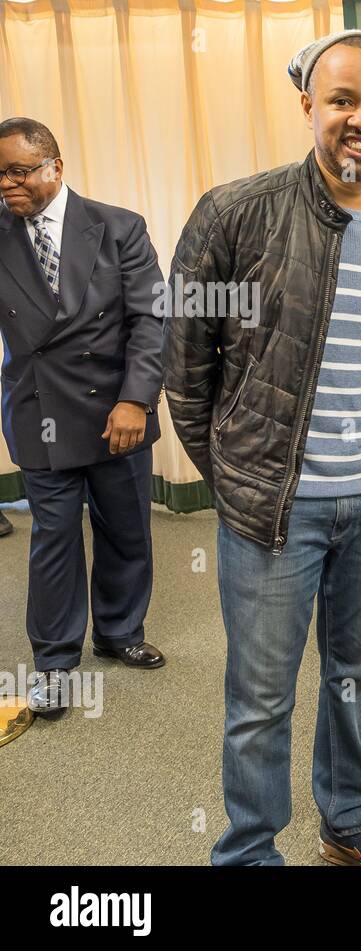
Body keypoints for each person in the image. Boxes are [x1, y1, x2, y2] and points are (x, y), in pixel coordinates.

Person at [164, 30, 361, 866]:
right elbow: (186, 370)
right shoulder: (233, 213)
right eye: (343, 101)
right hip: (273, 512)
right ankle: (249, 850)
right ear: (308, 107)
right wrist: (241, 479)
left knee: (357, 679)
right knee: (260, 696)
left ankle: (349, 824)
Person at [0, 116, 167, 718]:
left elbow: (152, 319)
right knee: (53, 538)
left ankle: (120, 632)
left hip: (115, 407)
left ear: (55, 167)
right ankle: (53, 663)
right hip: (38, 407)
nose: (7, 185)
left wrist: (136, 399)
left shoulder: (119, 227)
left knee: (126, 528)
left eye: (18, 171)